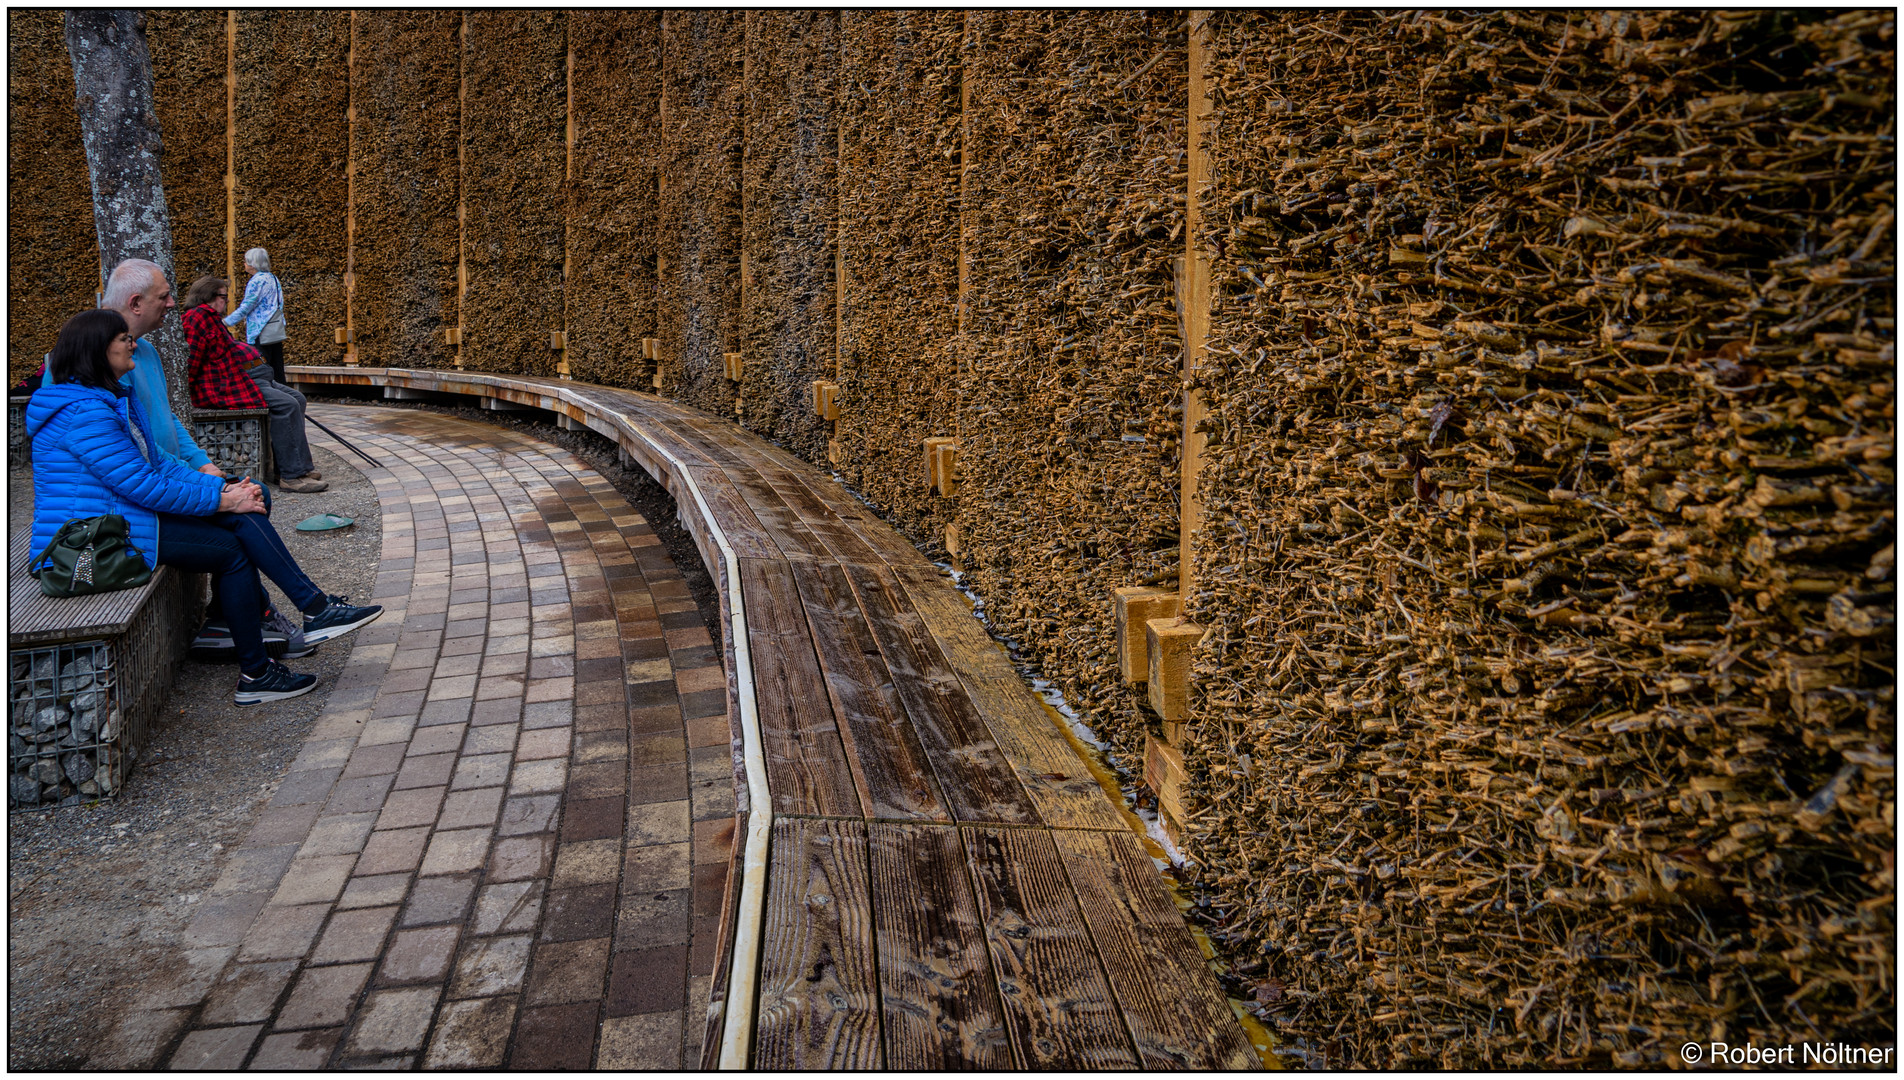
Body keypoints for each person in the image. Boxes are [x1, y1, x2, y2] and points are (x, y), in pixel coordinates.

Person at [26, 309, 382, 705]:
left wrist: (222, 485)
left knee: (241, 514)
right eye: (123, 339)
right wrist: (222, 498)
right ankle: (284, 641)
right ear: (96, 350)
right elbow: (142, 485)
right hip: (91, 541)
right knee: (233, 548)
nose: (132, 344)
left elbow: (157, 463)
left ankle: (289, 636)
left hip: (120, 520)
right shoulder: (85, 413)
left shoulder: (107, 400)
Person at [182, 275, 327, 493]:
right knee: (286, 405)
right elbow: (192, 360)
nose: (227, 302)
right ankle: (291, 477)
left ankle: (294, 466)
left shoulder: (210, 317)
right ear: (210, 296)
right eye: (224, 296)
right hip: (226, 385)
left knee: (298, 398)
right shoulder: (198, 318)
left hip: (244, 377)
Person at [226, 246, 287, 383]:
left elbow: (247, 306)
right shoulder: (273, 278)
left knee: (260, 366)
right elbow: (280, 303)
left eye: (246, 261)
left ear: (253, 264)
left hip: (260, 329)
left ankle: (265, 396)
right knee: (277, 367)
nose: (244, 264)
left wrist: (227, 321)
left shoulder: (256, 281)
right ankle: (285, 395)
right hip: (274, 328)